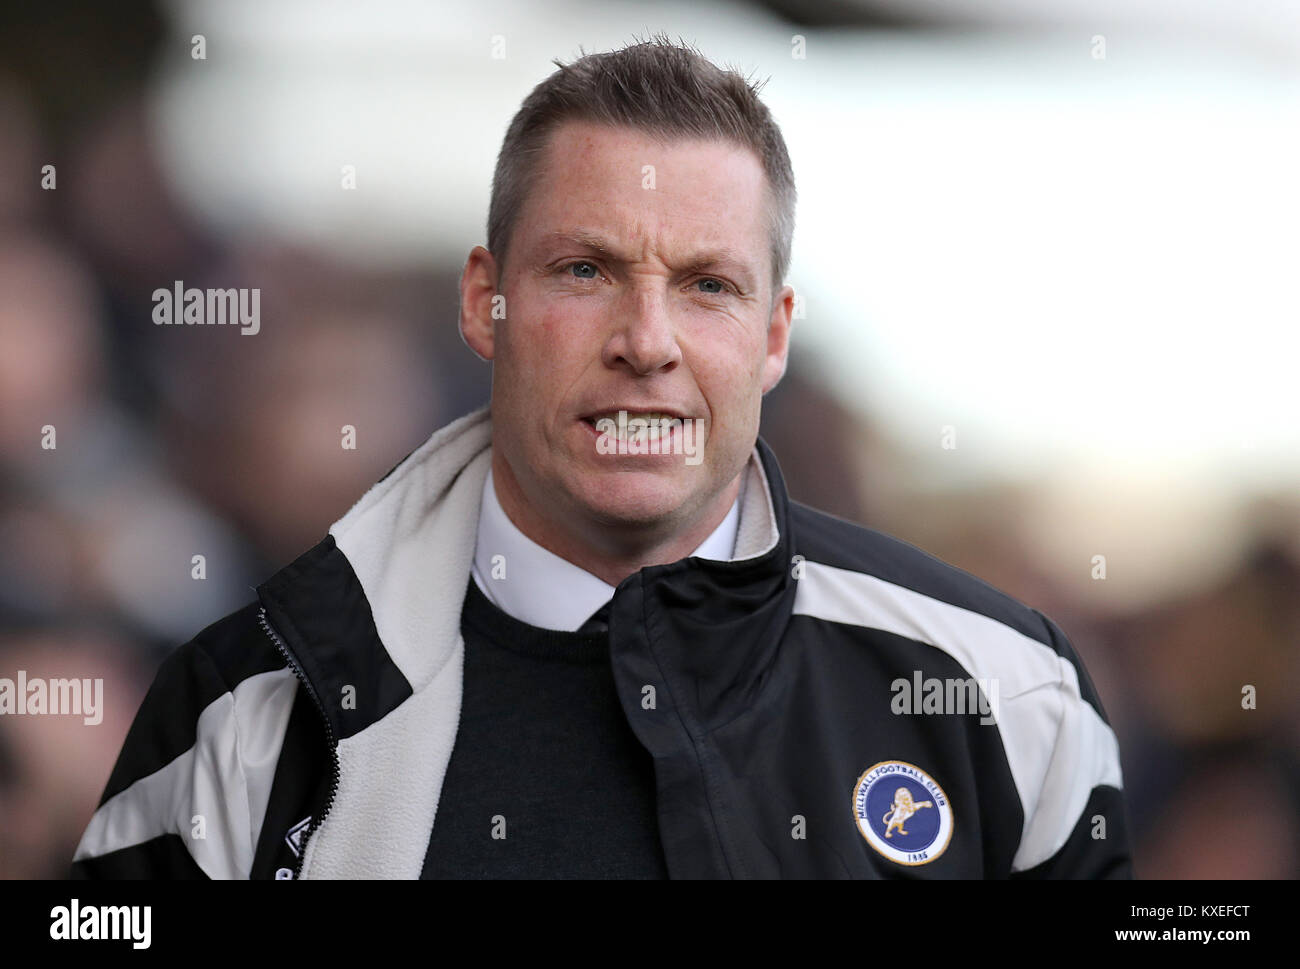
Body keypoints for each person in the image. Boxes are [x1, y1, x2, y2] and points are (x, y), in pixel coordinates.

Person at [71, 38, 1132, 879]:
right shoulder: (249, 711)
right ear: (485, 302)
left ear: (774, 336)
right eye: (585, 270)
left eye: (708, 285)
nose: (647, 340)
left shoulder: (1003, 696)